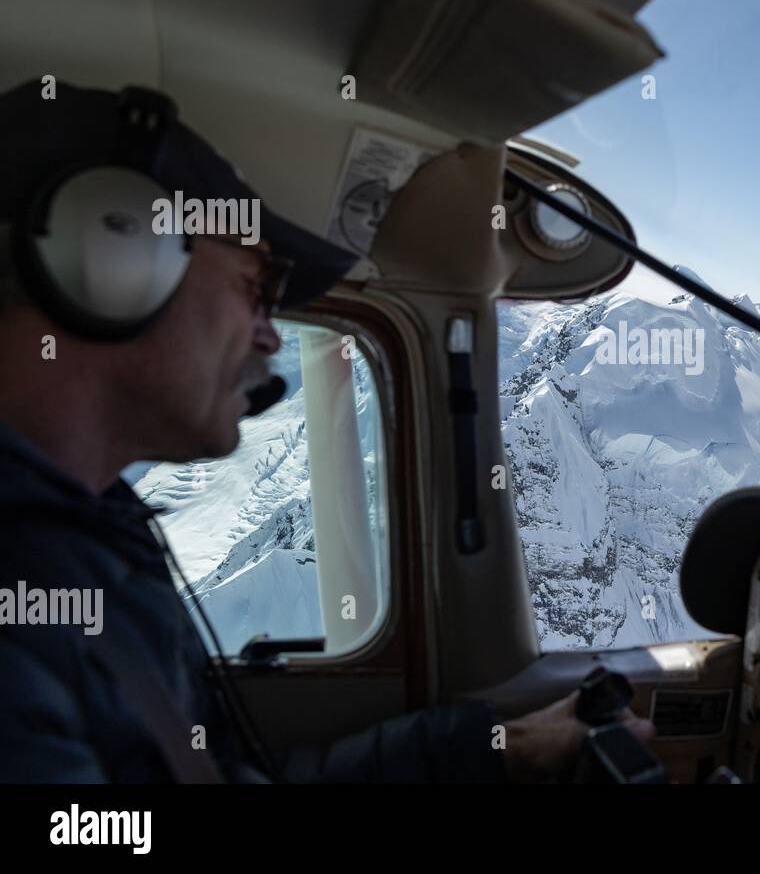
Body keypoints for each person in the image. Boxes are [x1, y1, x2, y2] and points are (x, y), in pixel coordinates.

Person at [0, 78, 653, 782]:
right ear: (111, 257)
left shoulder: (89, 540)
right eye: (257, 287)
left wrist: (506, 745)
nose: (265, 338)